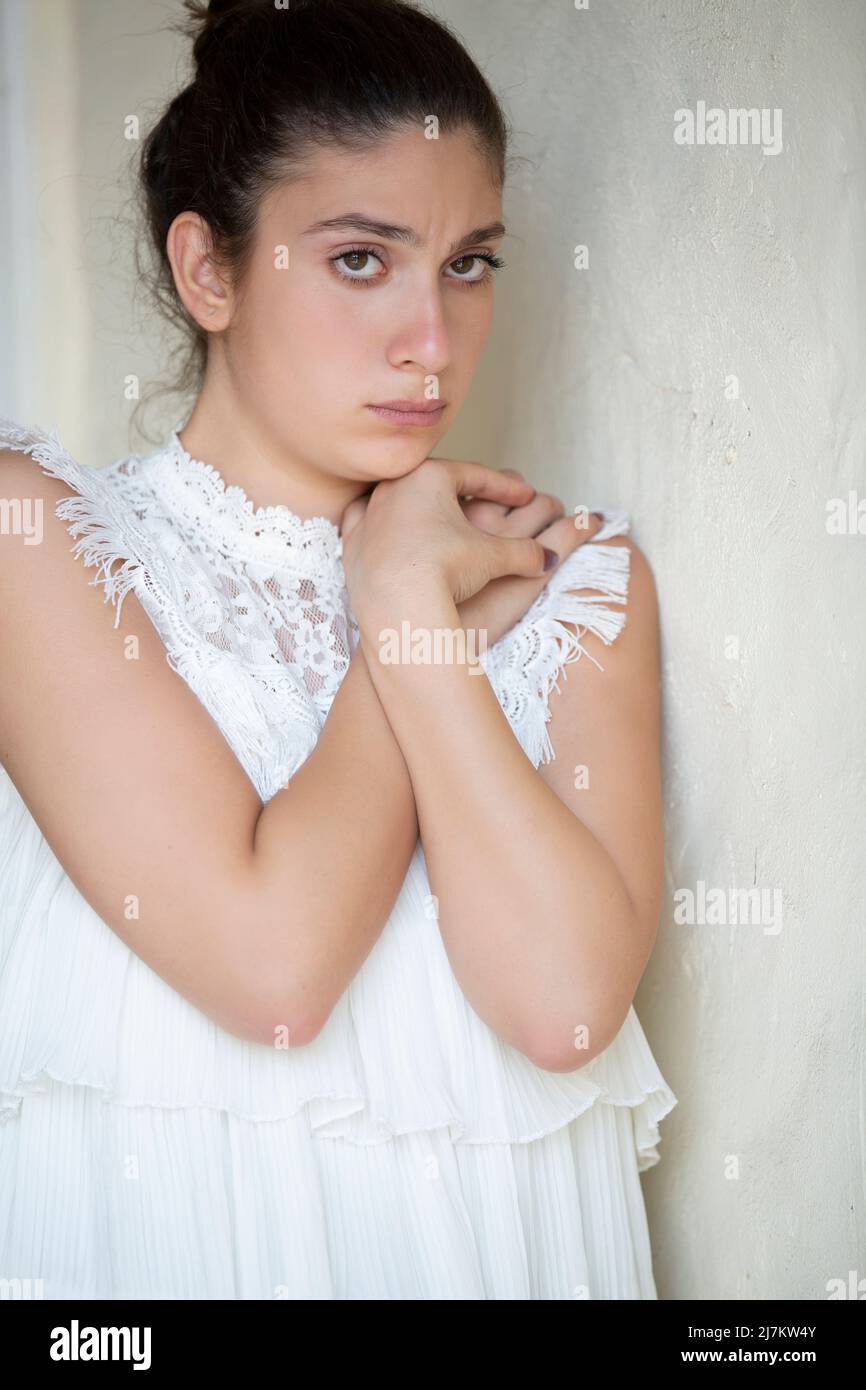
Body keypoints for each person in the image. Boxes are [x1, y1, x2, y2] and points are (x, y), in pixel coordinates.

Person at [0, 0, 676, 1299]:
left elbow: (563, 1013)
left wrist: (419, 630)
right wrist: (404, 621)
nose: (432, 339)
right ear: (209, 270)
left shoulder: (574, 584)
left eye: (469, 262)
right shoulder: (45, 543)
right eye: (361, 260)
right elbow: (274, 973)